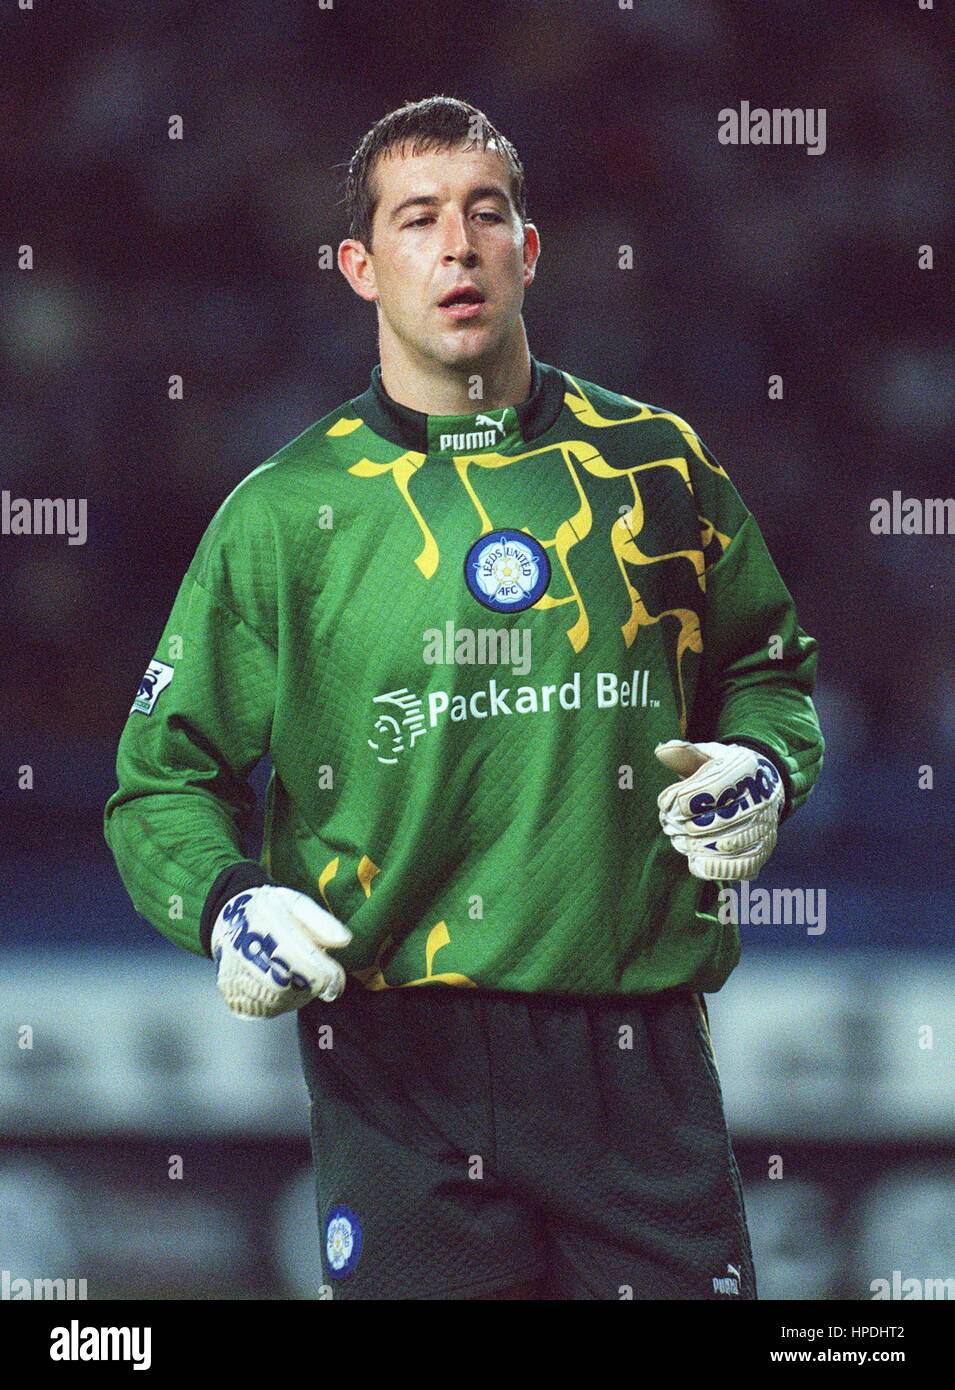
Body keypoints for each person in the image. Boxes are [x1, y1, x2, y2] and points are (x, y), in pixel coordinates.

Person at [103, 95, 824, 1301]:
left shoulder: (658, 464)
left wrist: (764, 760)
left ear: (528, 250)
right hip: (399, 1066)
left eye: (486, 214)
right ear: (358, 266)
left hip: (631, 1054)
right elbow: (158, 781)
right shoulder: (286, 515)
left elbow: (766, 664)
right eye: (418, 219)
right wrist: (227, 902)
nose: (457, 246)